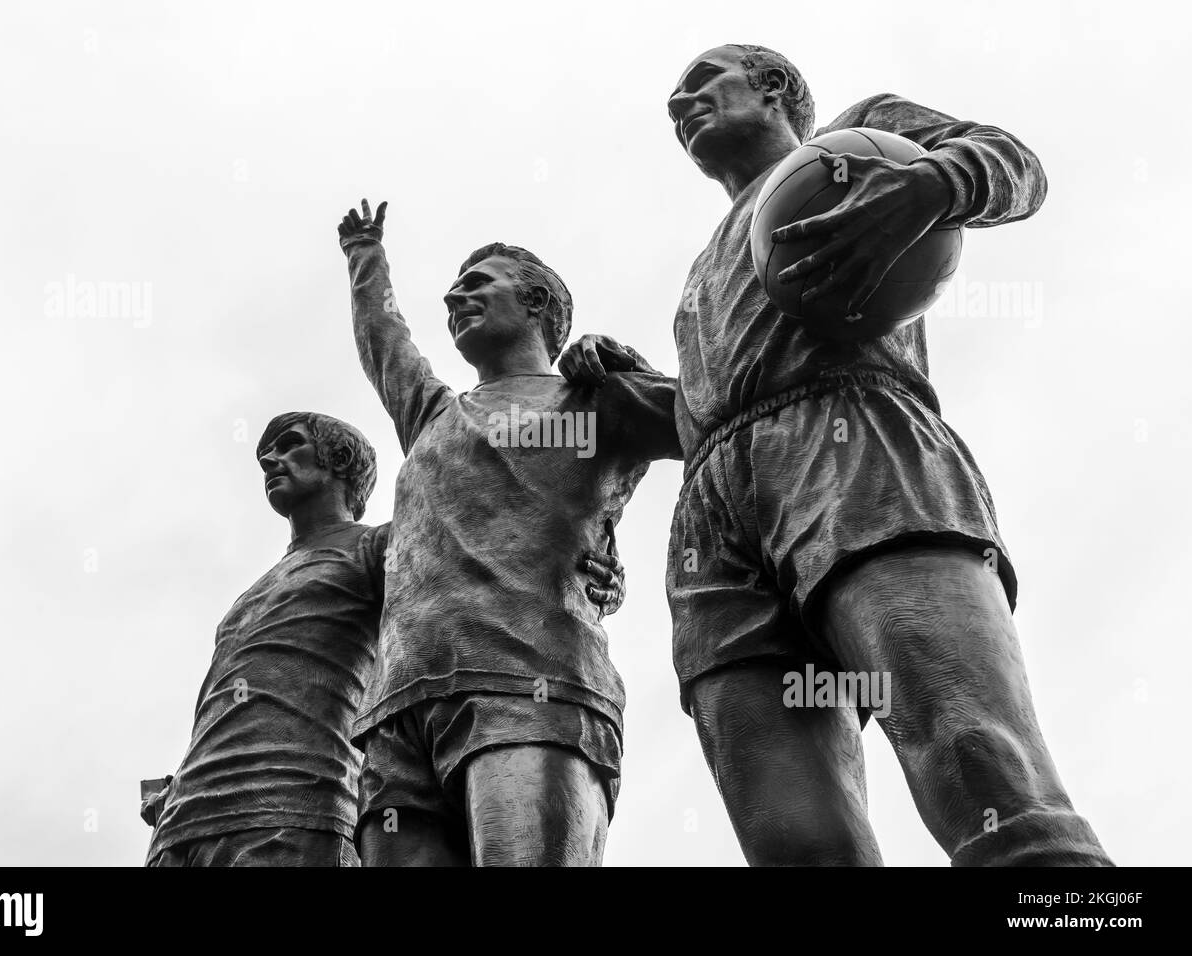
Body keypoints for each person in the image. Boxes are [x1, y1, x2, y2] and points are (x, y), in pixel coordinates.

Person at [560, 44, 1112, 866]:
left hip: (856, 455)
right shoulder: (701, 272)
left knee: (976, 757)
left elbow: (1014, 163)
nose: (681, 109)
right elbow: (703, 411)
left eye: (702, 87)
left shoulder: (860, 142)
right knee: (795, 843)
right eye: (673, 106)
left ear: (774, 88)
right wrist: (617, 385)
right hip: (716, 525)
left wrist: (935, 183)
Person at [338, 199, 680, 865]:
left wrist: (633, 373)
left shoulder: (590, 397)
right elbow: (385, 340)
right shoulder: (434, 414)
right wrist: (365, 256)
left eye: (477, 284)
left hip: (529, 685)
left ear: (535, 302)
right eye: (453, 288)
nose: (454, 295)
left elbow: (715, 414)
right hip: (397, 713)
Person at [143, 412, 623, 866]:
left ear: (341, 462)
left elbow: (502, 553)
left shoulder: (377, 548)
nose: (270, 461)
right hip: (183, 823)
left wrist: (598, 571)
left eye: (290, 446)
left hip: (292, 810)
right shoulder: (249, 594)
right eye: (265, 453)